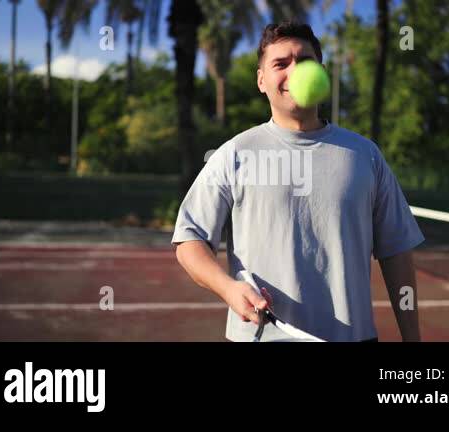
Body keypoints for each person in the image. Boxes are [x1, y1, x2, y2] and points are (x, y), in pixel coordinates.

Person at [171, 21, 424, 342]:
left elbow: (397, 252)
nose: (295, 71)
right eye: (280, 64)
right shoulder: (234, 153)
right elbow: (189, 240)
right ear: (261, 80)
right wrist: (228, 288)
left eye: (304, 61)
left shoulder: (366, 155)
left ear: (321, 72)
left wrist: (413, 339)